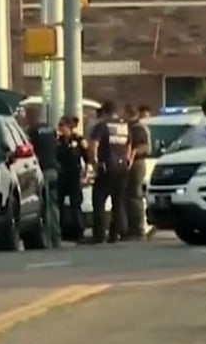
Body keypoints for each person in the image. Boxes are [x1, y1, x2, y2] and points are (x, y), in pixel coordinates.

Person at [87, 100, 130, 243]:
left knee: (98, 201)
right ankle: (114, 235)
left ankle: (99, 235)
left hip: (106, 166)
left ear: (104, 112)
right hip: (122, 167)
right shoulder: (124, 125)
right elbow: (129, 144)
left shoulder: (102, 126)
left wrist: (93, 162)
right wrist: (127, 160)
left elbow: (93, 144)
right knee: (118, 202)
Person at [23, 105, 61, 248]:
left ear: (31, 117)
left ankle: (47, 240)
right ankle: (56, 238)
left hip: (42, 170)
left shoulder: (32, 131)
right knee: (54, 206)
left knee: (44, 208)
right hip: (54, 169)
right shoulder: (51, 130)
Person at [55, 116, 87, 242]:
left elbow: (86, 156)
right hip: (62, 175)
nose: (61, 129)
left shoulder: (78, 139)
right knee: (59, 203)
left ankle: (79, 231)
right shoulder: (57, 140)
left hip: (74, 174)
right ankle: (61, 230)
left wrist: (85, 172)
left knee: (75, 204)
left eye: (63, 126)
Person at [125, 105, 153, 240]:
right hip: (133, 163)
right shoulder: (133, 127)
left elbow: (144, 147)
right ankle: (130, 229)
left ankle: (138, 230)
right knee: (129, 197)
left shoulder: (137, 128)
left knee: (134, 196)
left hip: (136, 164)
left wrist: (131, 156)